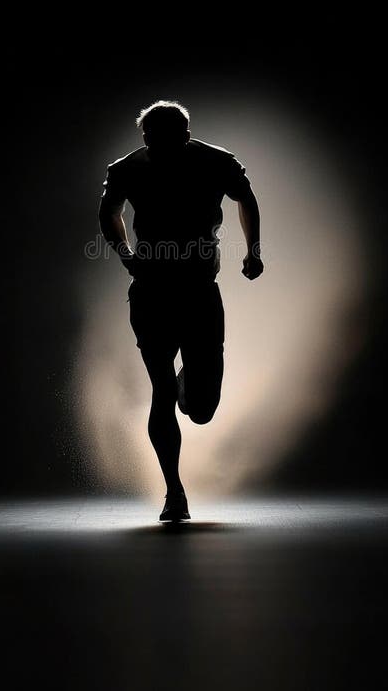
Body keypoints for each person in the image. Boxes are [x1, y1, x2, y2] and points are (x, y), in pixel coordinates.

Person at [99, 100, 263, 521]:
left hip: (198, 292)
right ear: (145, 138)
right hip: (152, 291)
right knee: (161, 392)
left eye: (170, 142)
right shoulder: (127, 169)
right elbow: (109, 211)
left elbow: (246, 198)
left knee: (202, 409)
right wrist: (125, 254)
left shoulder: (216, 161)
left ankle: (189, 378)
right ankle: (174, 492)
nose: (162, 150)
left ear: (186, 138)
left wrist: (253, 252)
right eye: (154, 142)